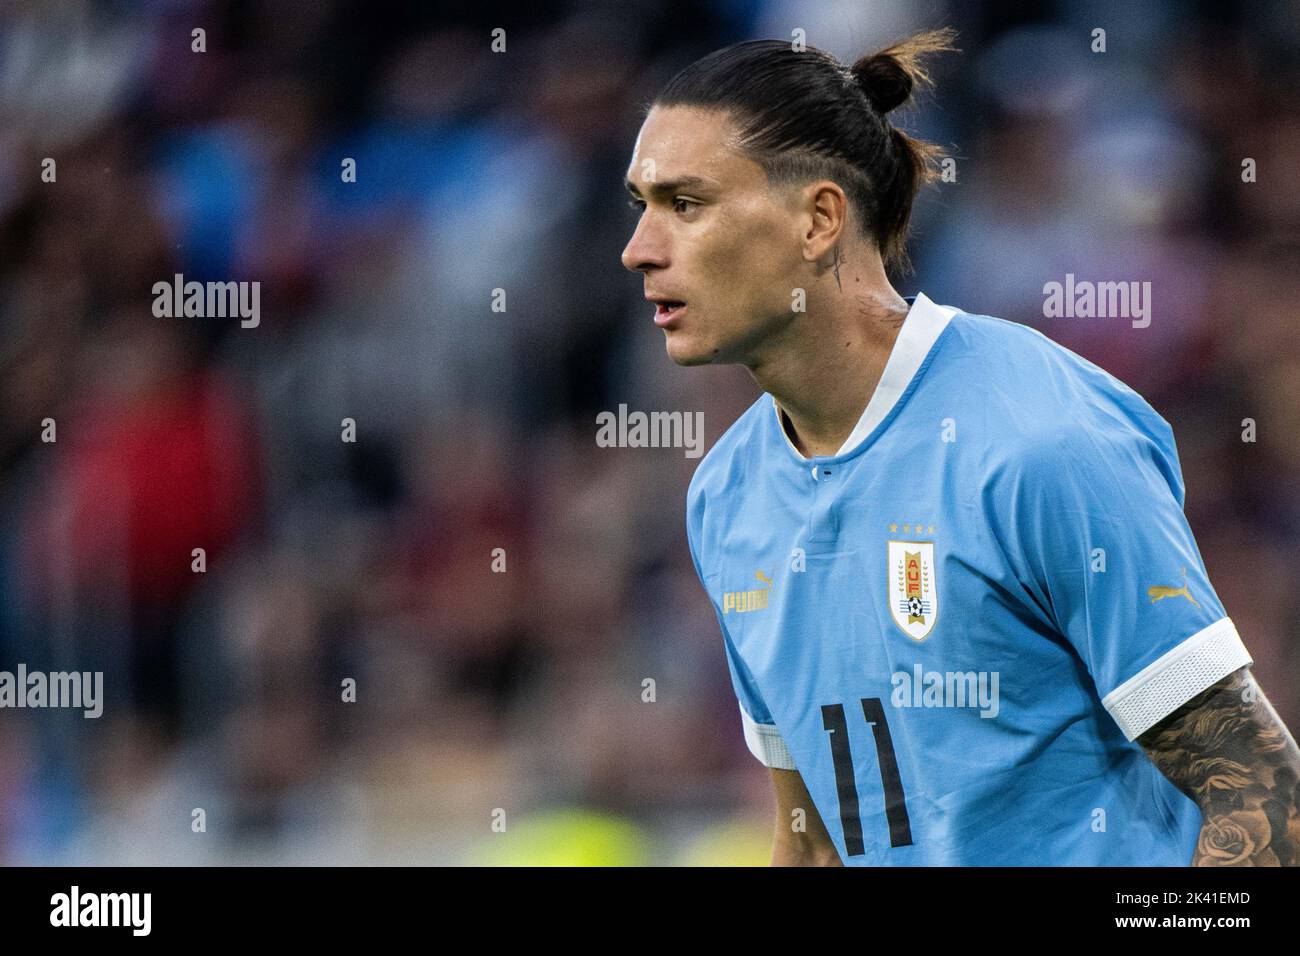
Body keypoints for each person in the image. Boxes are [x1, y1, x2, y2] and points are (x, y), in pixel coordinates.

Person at [620, 29, 1300, 865]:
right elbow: (816, 842)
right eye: (640, 207)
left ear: (819, 219)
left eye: (685, 204)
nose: (639, 250)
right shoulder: (725, 498)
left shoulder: (1041, 440)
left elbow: (1266, 799)